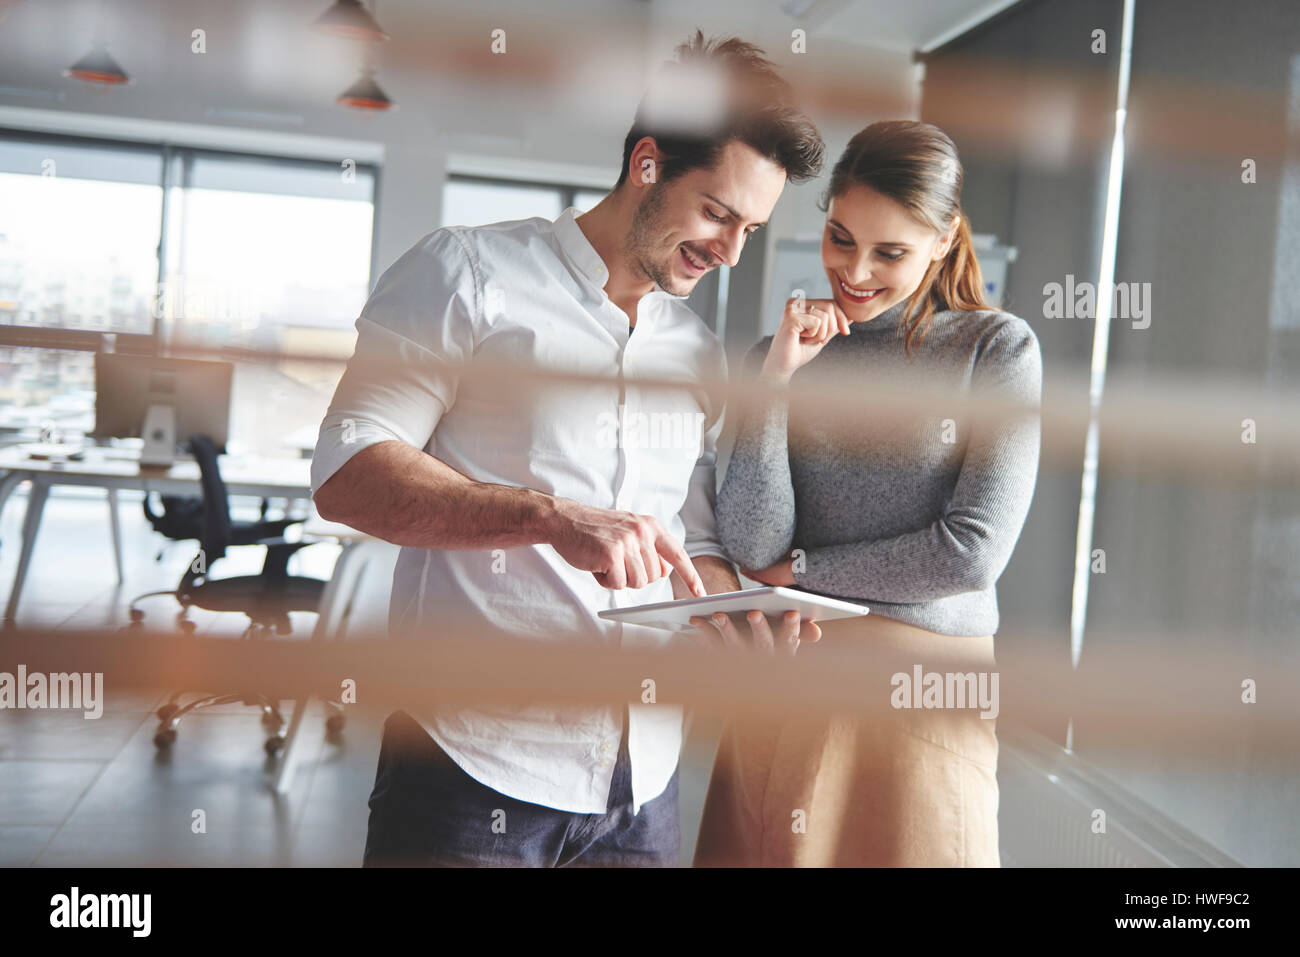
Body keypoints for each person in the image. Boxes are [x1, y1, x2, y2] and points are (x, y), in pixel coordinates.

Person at [310, 32, 825, 867]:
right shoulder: (468, 276)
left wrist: (736, 610)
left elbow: (688, 537)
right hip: (469, 769)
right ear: (648, 164)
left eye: (751, 228)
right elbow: (346, 471)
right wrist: (551, 518)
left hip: (643, 783)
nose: (731, 250)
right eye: (718, 214)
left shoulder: (693, 352)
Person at [692, 120, 1042, 867]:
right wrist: (779, 380)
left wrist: (803, 571)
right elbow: (752, 544)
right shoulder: (778, 353)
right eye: (841, 238)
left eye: (891, 252)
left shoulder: (995, 349)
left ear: (943, 239)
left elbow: (970, 555)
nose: (855, 271)